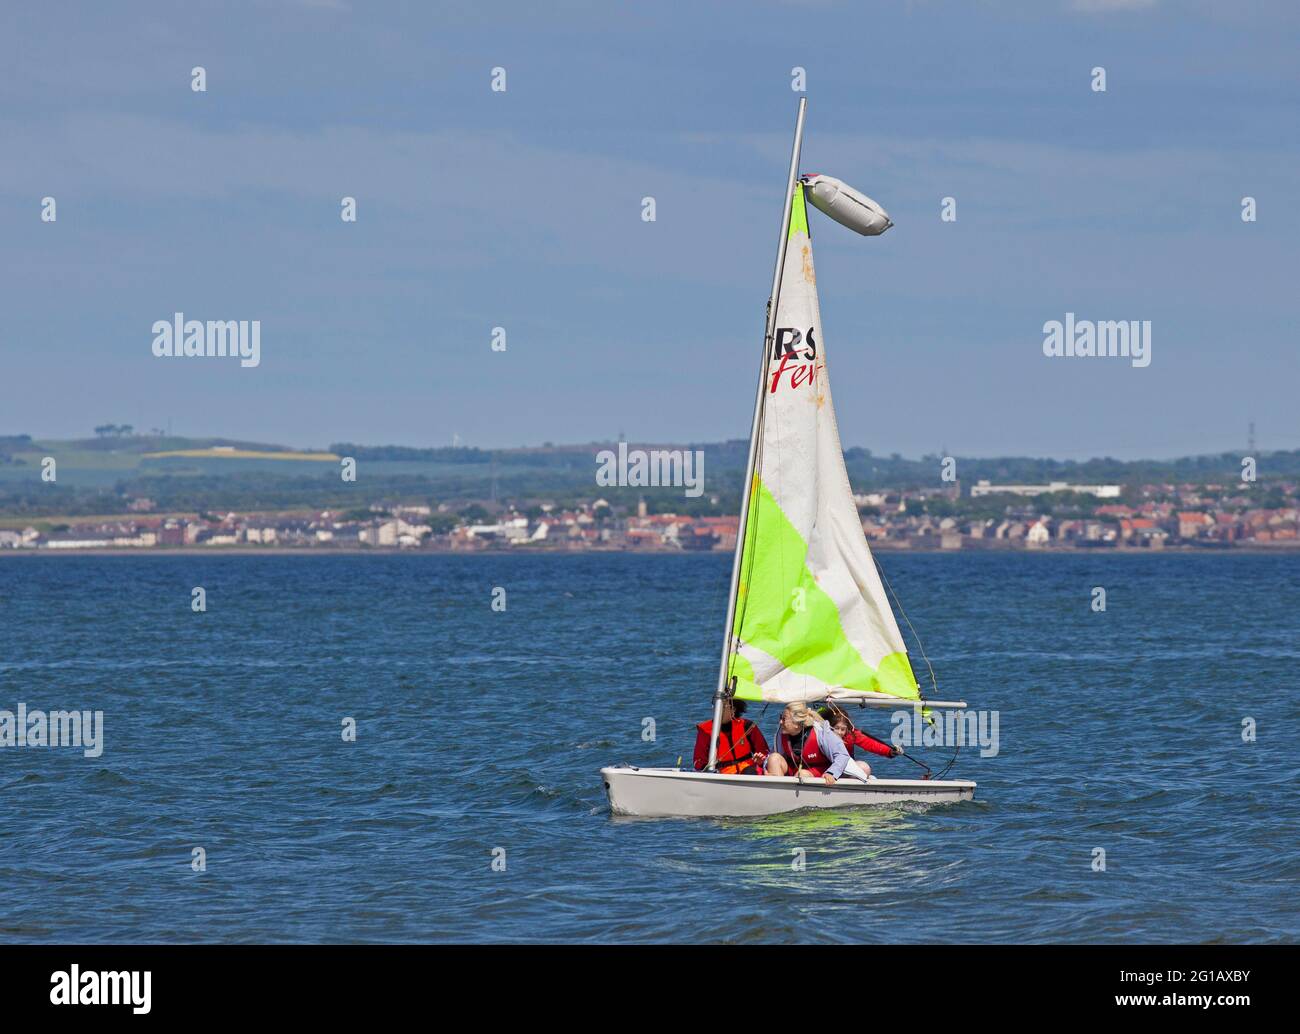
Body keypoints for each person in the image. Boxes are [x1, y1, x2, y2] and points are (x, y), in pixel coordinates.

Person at [764, 701, 857, 784]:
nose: (780, 722)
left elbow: (842, 755)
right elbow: (771, 755)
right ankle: (779, 792)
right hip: (795, 770)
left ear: (796, 724)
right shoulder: (782, 733)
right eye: (781, 717)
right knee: (773, 758)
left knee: (802, 774)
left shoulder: (821, 732)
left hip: (820, 773)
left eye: (784, 719)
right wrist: (766, 768)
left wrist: (832, 773)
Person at [820, 703, 901, 781]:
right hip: (825, 771)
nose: (839, 732)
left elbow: (871, 744)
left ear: (847, 729)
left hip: (844, 770)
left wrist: (890, 751)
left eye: (843, 729)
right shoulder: (820, 734)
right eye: (836, 728)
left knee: (864, 768)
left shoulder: (851, 735)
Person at [693, 697, 769, 775]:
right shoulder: (705, 731)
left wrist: (760, 761)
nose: (717, 709)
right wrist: (709, 772)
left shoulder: (747, 726)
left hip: (749, 770)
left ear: (733, 709)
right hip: (722, 775)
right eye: (715, 705)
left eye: (722, 706)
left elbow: (764, 752)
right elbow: (698, 761)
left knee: (749, 772)